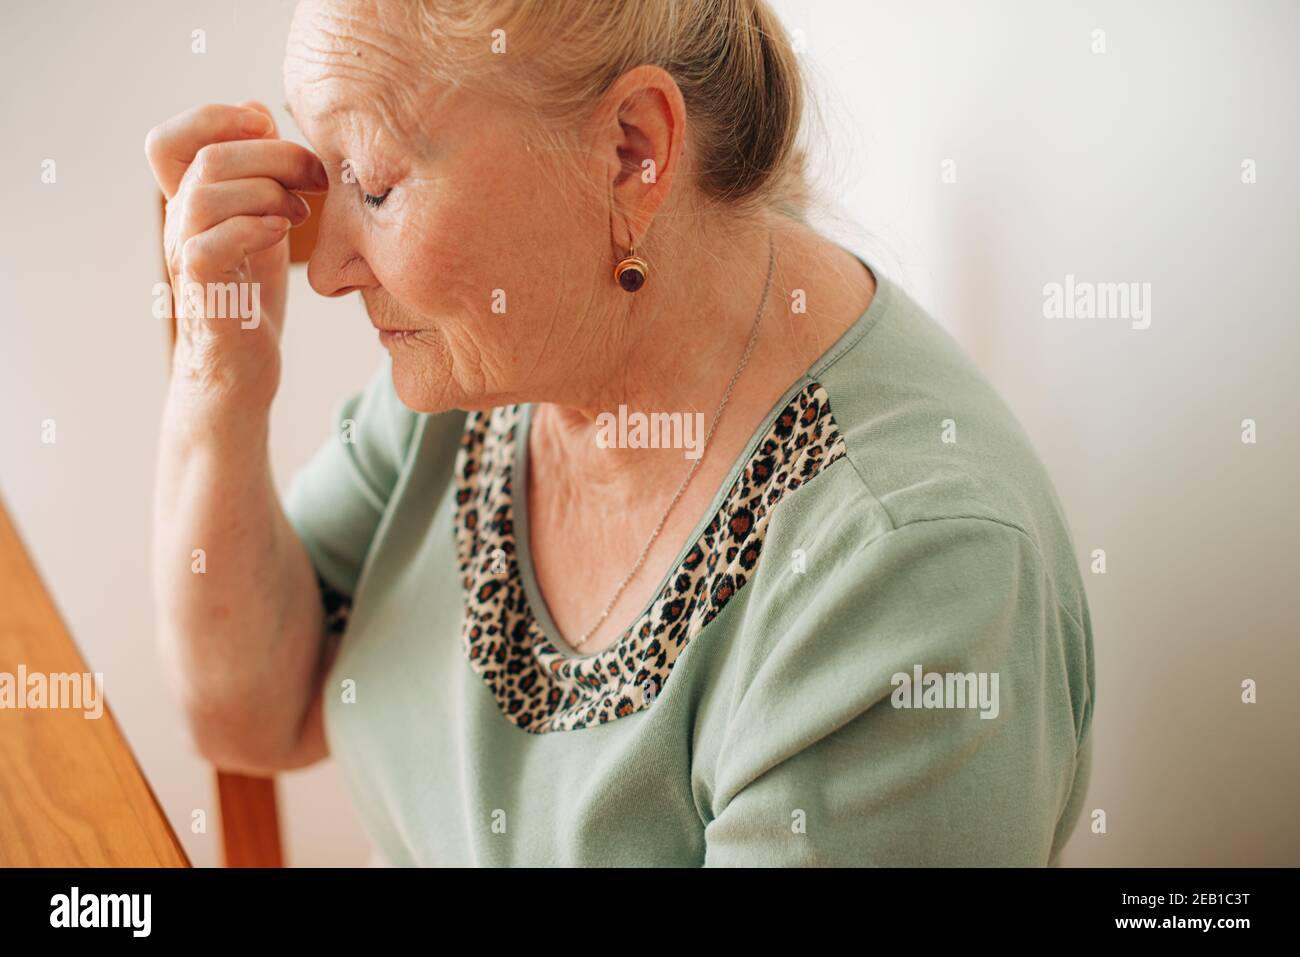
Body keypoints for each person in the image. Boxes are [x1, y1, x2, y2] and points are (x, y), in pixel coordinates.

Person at [146, 0, 1094, 866]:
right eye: (329, 173)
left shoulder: (912, 583)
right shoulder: (502, 360)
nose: (330, 267)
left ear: (633, 152)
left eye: (379, 185)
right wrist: (218, 380)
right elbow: (254, 714)